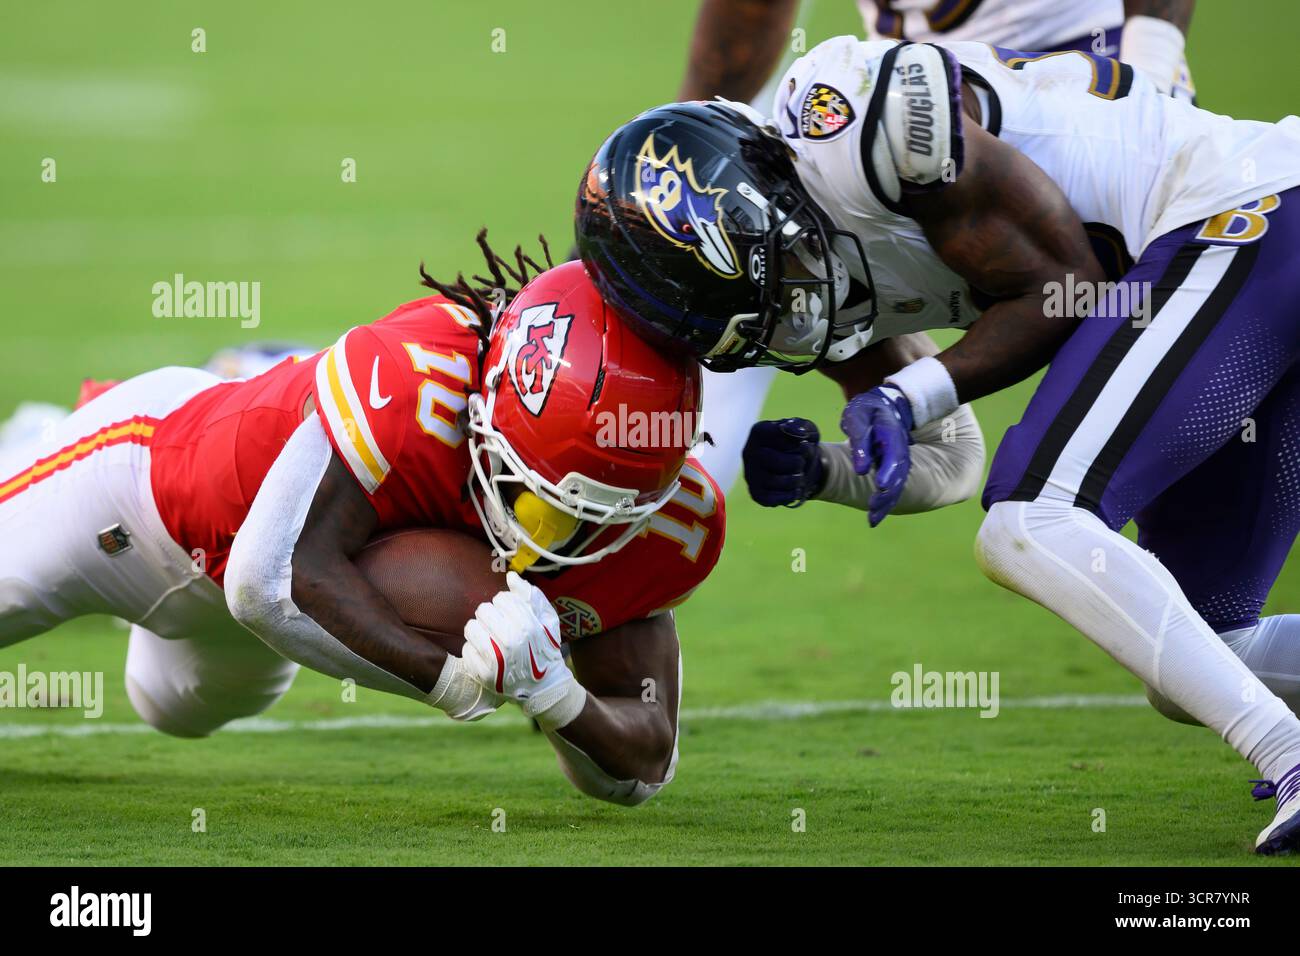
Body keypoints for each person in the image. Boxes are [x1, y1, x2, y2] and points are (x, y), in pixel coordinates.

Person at [573, 34, 1300, 850]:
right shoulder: (792, 275)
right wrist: (829, 471)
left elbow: (1064, 285)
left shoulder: (850, 124)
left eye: (765, 267)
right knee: (1211, 646)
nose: (786, 300)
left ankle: (1290, 757)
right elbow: (953, 459)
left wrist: (903, 391)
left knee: (1036, 516)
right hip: (1231, 259)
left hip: (1250, 212)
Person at [0, 240, 724, 806]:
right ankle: (43, 441)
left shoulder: (665, 522)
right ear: (489, 413)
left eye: (590, 516)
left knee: (168, 705)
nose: (551, 542)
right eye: (539, 501)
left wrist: (556, 695)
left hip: (256, 599)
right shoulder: (416, 376)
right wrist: (450, 685)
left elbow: (640, 770)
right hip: (140, 490)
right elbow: (266, 580)